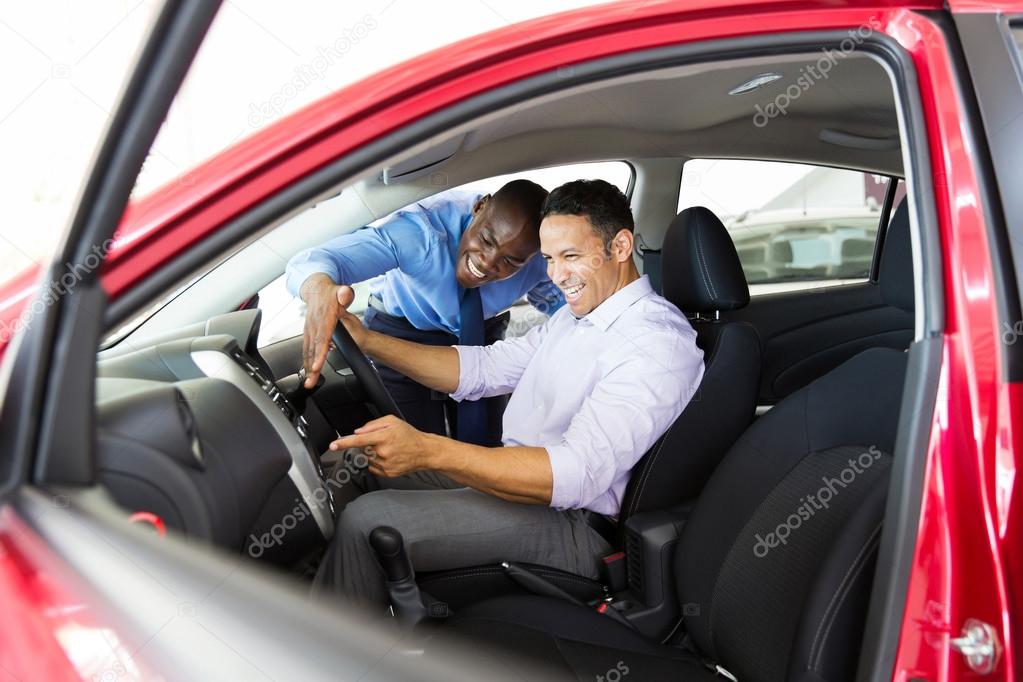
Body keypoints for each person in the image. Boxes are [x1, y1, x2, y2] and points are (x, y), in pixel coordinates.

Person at [312, 179, 705, 607]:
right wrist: (369, 342)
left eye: (571, 256)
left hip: (573, 524)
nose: (556, 276)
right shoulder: (579, 318)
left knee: (369, 522)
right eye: (551, 259)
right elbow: (485, 369)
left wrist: (427, 450)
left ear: (621, 246)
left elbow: (574, 476)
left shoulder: (655, 344)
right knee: (354, 462)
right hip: (524, 487)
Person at [286, 180, 563, 447]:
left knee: (488, 444)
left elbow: (568, 306)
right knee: (411, 447)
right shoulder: (421, 233)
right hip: (402, 331)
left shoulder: (543, 258)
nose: (487, 262)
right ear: (480, 208)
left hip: (481, 336)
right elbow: (316, 262)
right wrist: (319, 290)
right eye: (486, 240)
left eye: (510, 261)